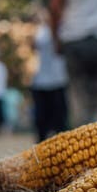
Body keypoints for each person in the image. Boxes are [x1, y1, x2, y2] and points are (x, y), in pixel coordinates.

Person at [31, 10, 69, 142]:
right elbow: (33, 46)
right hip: (42, 81)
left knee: (59, 121)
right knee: (41, 120)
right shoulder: (42, 31)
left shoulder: (64, 30)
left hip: (59, 80)